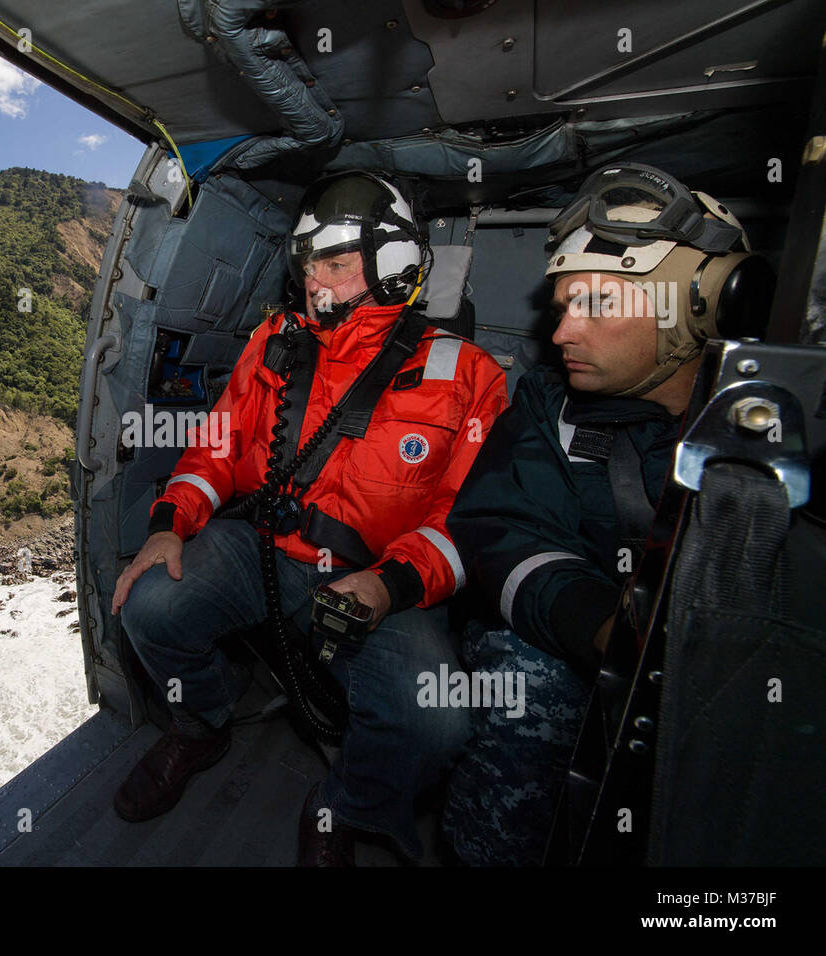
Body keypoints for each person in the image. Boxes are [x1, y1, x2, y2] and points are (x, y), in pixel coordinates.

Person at [108, 170, 508, 865]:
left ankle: (347, 802)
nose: (315, 282)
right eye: (308, 265)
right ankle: (200, 725)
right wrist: (171, 521)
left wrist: (390, 586)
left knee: (435, 721)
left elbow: (466, 520)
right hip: (260, 546)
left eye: (335, 262)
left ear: (395, 266)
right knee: (149, 604)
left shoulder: (470, 376)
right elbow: (218, 446)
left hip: (378, 583)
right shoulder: (275, 341)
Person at [440, 162, 775, 865]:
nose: (562, 334)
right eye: (561, 308)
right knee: (524, 673)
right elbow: (500, 529)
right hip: (586, 640)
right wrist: (599, 622)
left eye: (595, 305)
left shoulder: (776, 430)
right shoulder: (548, 403)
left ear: (697, 307)